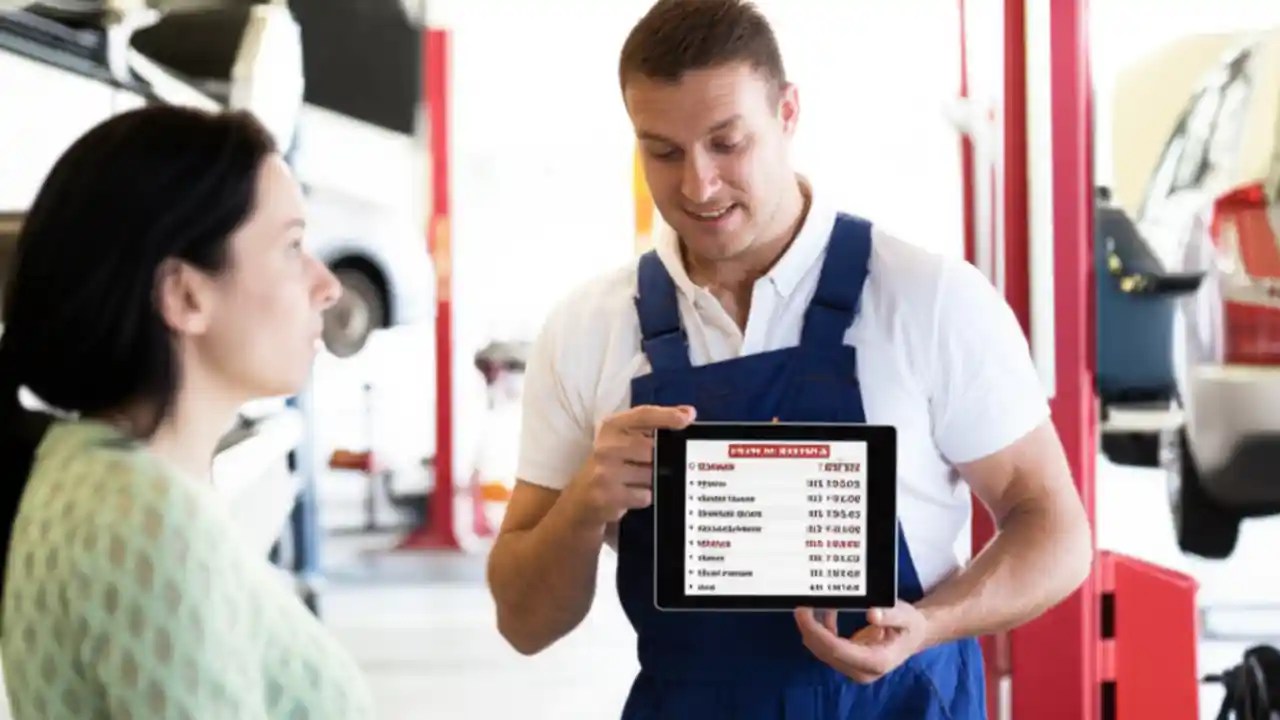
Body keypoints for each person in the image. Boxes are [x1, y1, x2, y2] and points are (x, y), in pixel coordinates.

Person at [485, 1, 1094, 718]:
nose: (698, 185)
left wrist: (930, 624)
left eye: (726, 143)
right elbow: (525, 625)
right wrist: (585, 504)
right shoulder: (589, 329)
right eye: (665, 151)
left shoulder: (929, 300)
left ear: (788, 114)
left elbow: (1055, 531)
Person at [0, 106, 375, 719]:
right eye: (292, 247)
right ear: (185, 296)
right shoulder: (146, 519)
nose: (327, 285)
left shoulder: (95, 473)